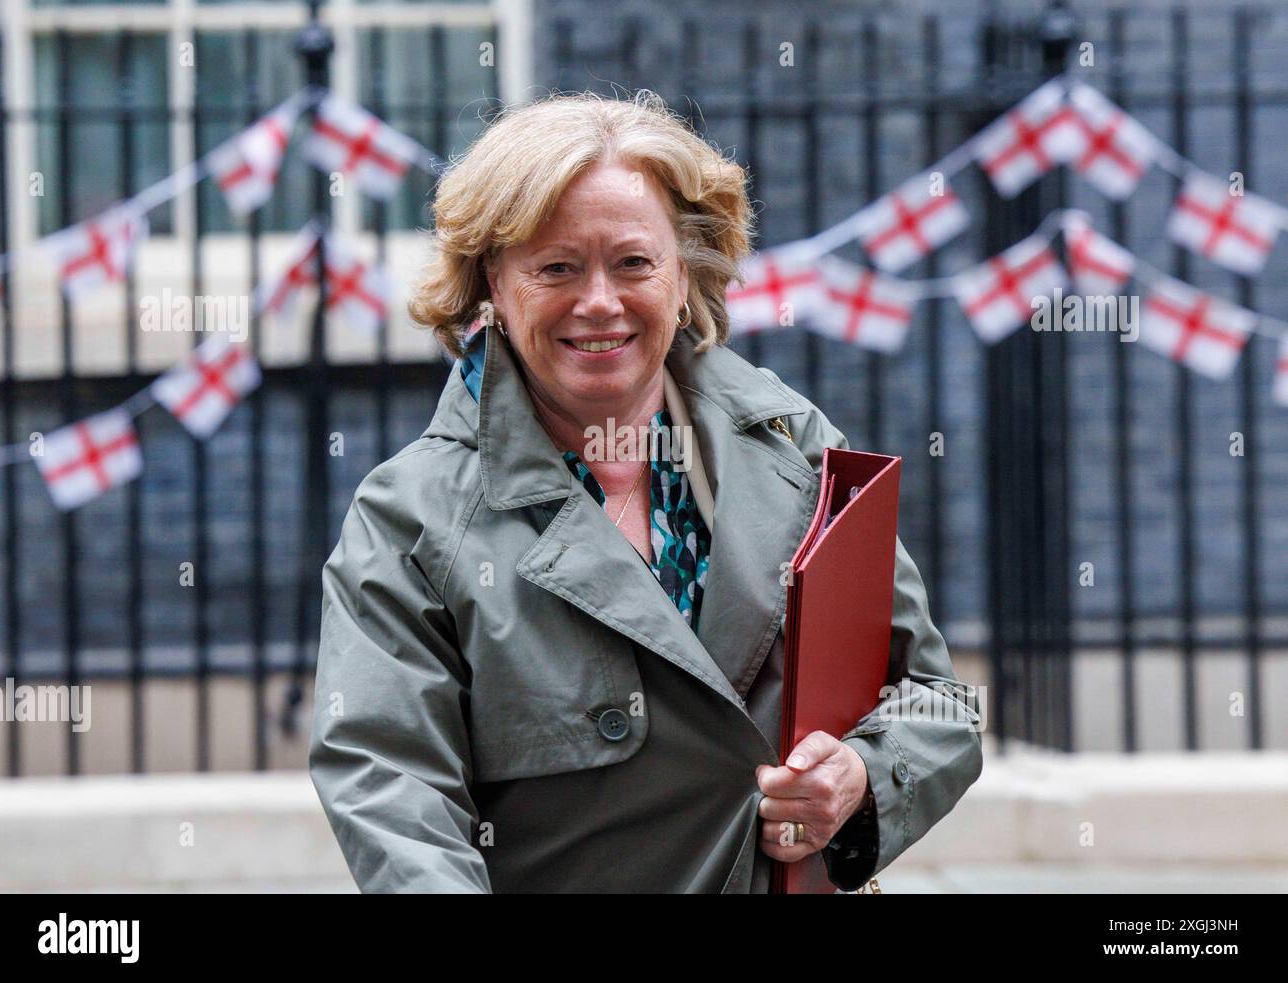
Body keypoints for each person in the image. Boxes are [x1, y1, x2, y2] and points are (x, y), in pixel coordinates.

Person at [308, 89, 982, 893]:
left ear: (682, 269)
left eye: (633, 262)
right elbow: (393, 794)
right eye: (556, 267)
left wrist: (863, 777)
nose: (600, 302)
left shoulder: (795, 442)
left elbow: (942, 705)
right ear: (493, 276)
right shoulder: (410, 519)